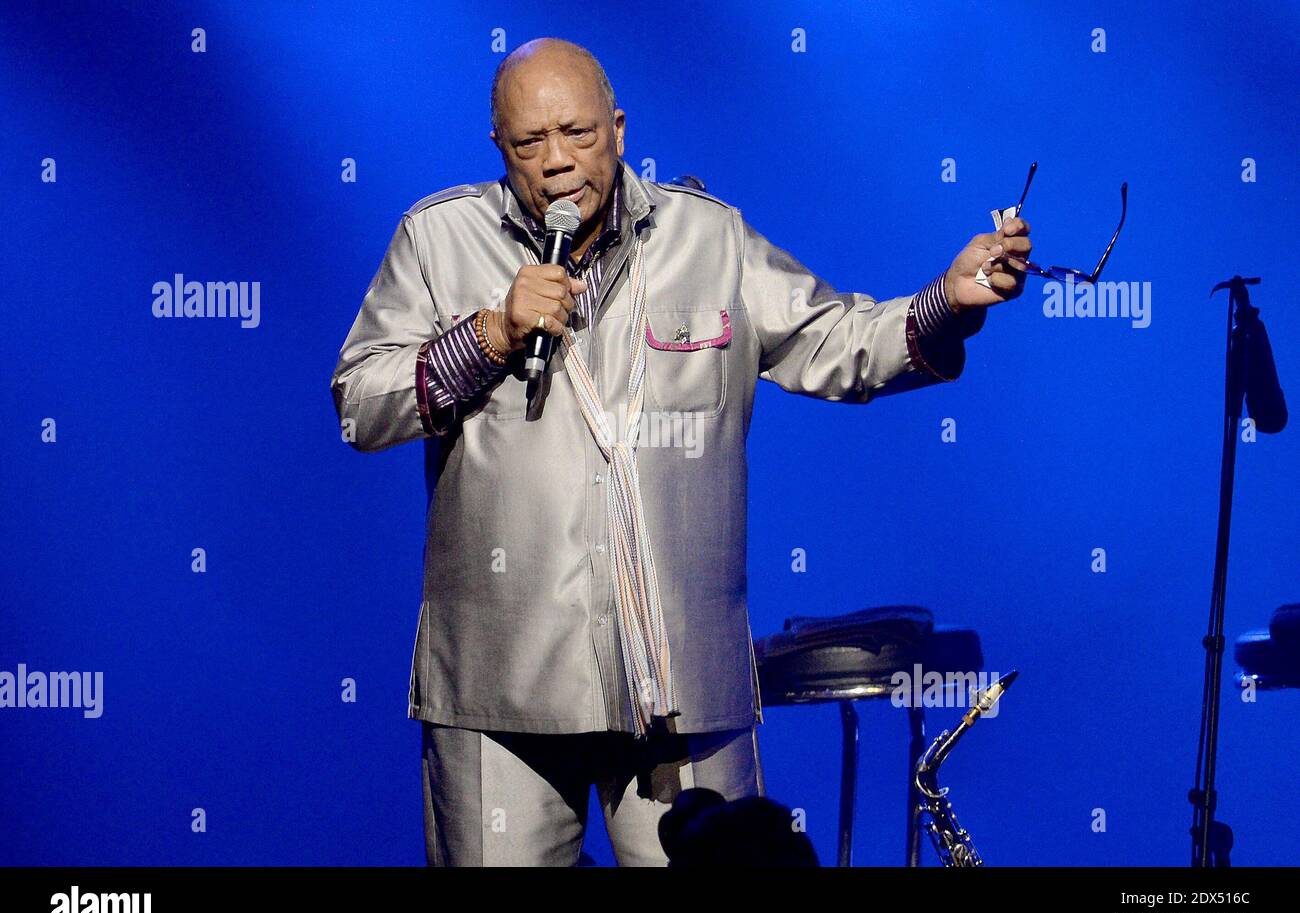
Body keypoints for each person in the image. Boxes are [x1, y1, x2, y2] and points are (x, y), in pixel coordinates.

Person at [329, 37, 1031, 866]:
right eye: (530, 144)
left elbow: (836, 340)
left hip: (679, 680)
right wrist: (490, 334)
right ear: (498, 150)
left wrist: (946, 302)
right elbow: (360, 404)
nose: (557, 163)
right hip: (500, 687)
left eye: (578, 134)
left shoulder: (709, 238)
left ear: (619, 129)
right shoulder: (438, 240)